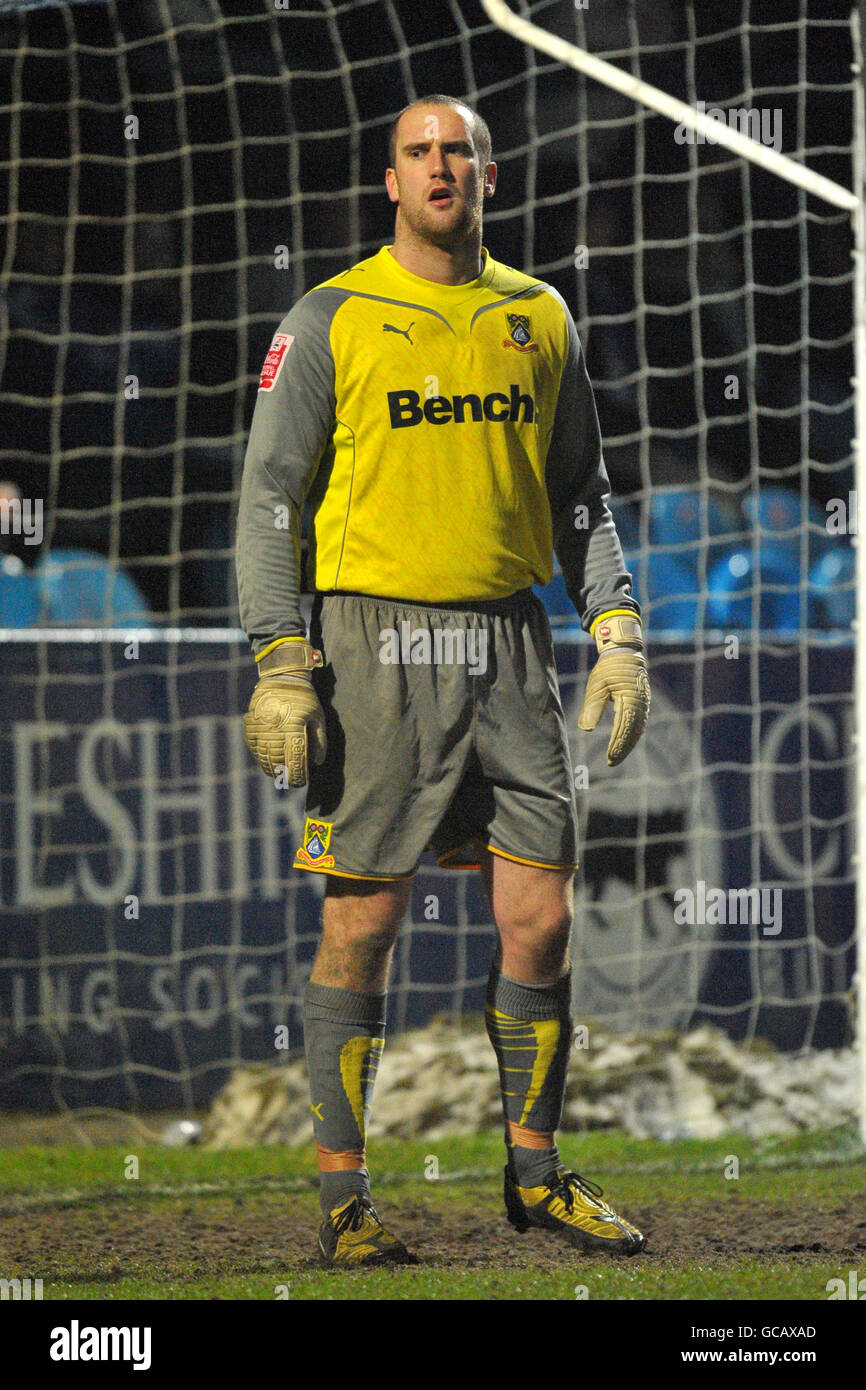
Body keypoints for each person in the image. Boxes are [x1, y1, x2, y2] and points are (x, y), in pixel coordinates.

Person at [236, 94, 651, 1268]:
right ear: (388, 180)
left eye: (456, 150)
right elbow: (270, 495)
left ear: (489, 175)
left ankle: (533, 1175)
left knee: (543, 917)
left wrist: (614, 623)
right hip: (373, 647)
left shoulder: (537, 312)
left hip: (512, 647)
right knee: (361, 924)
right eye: (417, 151)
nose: (438, 166)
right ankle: (344, 1201)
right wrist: (280, 659)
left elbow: (582, 494)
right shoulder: (331, 318)